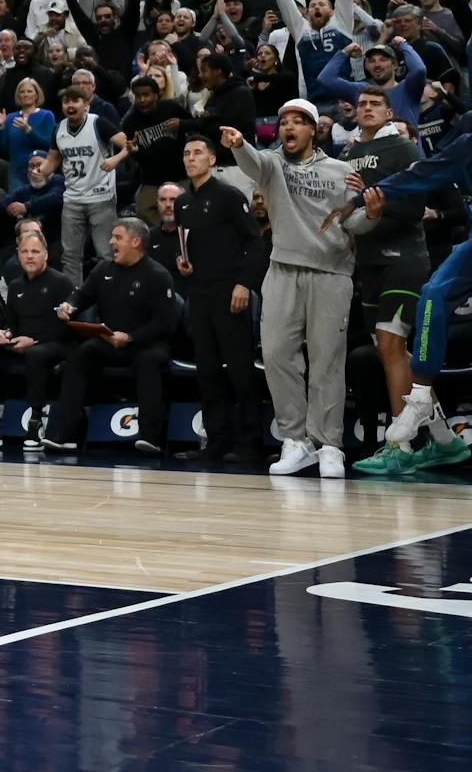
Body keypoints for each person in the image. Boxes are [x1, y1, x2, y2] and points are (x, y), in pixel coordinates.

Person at [321, 117, 472, 474]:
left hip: (404, 258)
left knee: (393, 341)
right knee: (432, 298)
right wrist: (356, 199)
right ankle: (421, 400)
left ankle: (428, 434)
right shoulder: (465, 143)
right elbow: (415, 177)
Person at [220, 107, 351, 479]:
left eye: (297, 122)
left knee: (326, 360)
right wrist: (239, 144)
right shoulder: (273, 164)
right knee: (276, 354)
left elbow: (356, 222)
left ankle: (329, 444)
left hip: (331, 272)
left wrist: (370, 212)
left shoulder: (341, 172)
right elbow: (253, 162)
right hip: (281, 270)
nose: (288, 127)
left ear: (313, 130)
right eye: (283, 123)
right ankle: (296, 440)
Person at [337, 88, 429, 476]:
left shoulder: (404, 150)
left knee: (392, 344)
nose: (367, 109)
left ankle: (400, 445)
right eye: (362, 105)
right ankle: (441, 437)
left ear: (390, 112)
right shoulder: (347, 155)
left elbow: (416, 206)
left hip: (403, 258)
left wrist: (379, 204)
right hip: (368, 262)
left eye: (375, 104)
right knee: (391, 351)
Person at [41, 220, 181, 453]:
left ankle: (151, 437)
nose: (110, 242)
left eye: (117, 237)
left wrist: (131, 337)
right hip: (109, 341)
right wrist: (69, 305)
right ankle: (66, 434)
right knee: (79, 356)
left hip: (145, 344)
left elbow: (166, 324)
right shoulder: (104, 269)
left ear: (136, 242)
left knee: (149, 362)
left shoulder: (158, 275)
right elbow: (82, 295)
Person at [174, 135, 264, 462]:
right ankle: (217, 441)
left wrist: (244, 284)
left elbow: (255, 242)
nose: (191, 158)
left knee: (240, 370)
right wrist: (181, 262)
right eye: (186, 153)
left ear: (212, 159)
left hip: (230, 292)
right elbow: (188, 245)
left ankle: (251, 443)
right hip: (198, 293)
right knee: (208, 371)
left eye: (198, 152)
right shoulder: (182, 202)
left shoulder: (229, 195)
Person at [0, 230, 74, 440]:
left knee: (36, 354)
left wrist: (35, 341)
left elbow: (68, 328)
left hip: (54, 344)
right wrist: (5, 333)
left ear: (46, 255)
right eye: (24, 251)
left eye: (35, 251)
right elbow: (10, 322)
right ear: (18, 255)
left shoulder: (61, 283)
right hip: (20, 344)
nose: (29, 256)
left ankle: (36, 419)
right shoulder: (15, 286)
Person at [51, 86, 129, 286]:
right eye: (66, 101)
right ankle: (73, 299)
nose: (70, 105)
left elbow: (129, 145)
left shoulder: (99, 123)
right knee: (69, 256)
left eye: (75, 101)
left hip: (101, 197)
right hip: (72, 199)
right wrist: (41, 170)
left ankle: (110, 293)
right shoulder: (58, 129)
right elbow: (53, 159)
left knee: (106, 252)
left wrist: (115, 160)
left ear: (86, 105)